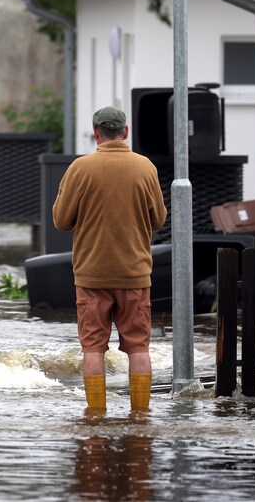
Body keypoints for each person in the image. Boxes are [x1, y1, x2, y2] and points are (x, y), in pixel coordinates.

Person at [52, 106, 167, 413]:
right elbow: (159, 219)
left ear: (96, 133)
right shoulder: (145, 167)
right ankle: (140, 415)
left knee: (93, 350)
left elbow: (61, 221)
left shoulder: (80, 168)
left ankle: (96, 415)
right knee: (139, 348)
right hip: (135, 274)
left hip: (92, 276)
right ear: (125, 132)